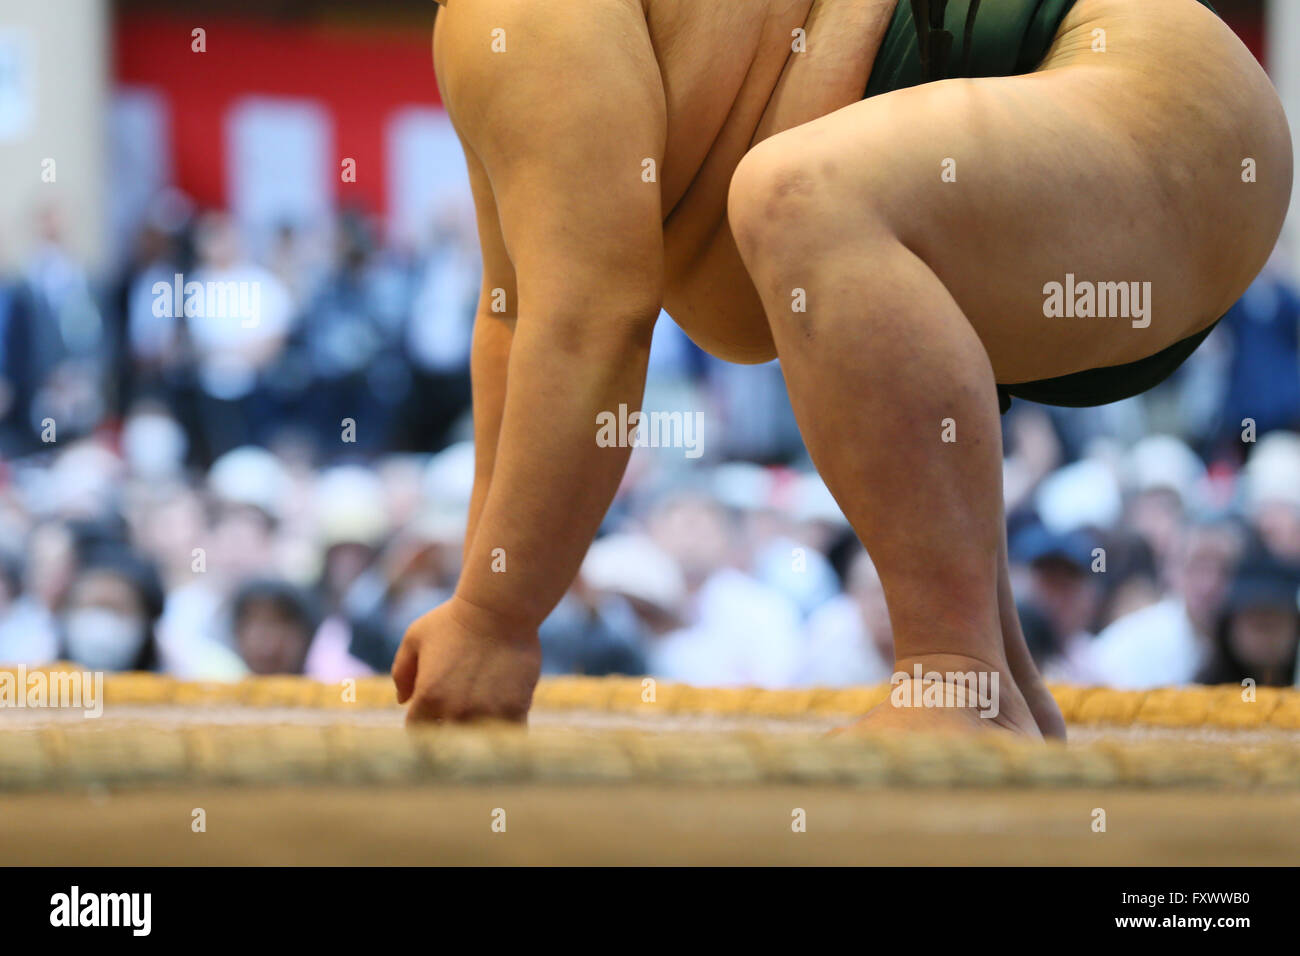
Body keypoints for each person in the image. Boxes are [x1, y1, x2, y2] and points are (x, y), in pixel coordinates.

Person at [395, 0, 1291, 736]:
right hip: (1105, 165)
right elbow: (514, 321)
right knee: (821, 204)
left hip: (1144, 99)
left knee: (801, 197)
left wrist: (497, 620)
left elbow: (593, 322)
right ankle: (997, 685)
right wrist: (481, 605)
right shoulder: (488, 30)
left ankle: (954, 673)